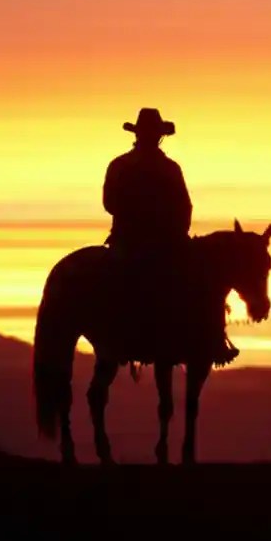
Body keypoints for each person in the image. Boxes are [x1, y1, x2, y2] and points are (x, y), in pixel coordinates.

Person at [103, 108, 239, 366]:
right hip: (146, 239)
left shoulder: (124, 165)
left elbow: (109, 203)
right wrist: (171, 228)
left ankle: (210, 338)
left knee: (202, 277)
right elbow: (184, 205)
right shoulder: (165, 168)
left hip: (134, 238)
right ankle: (210, 338)